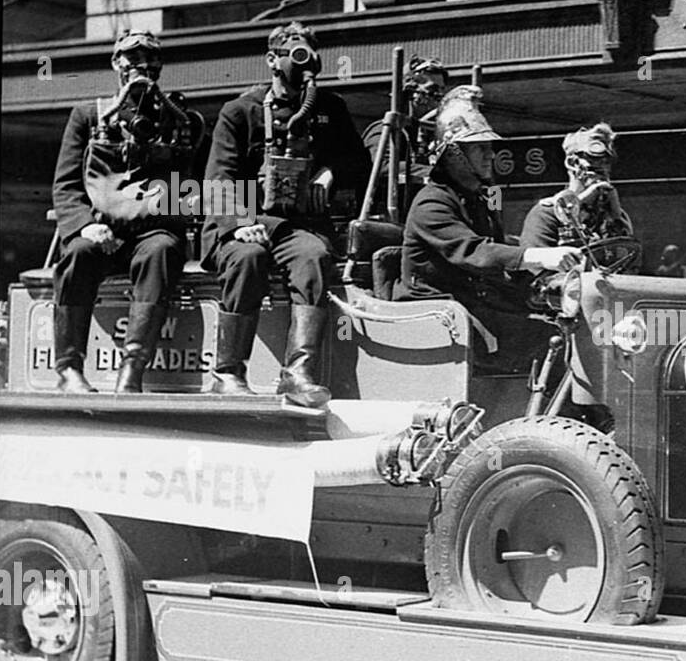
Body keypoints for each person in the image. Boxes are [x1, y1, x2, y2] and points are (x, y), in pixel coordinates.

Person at [203, 21, 370, 405]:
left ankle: (298, 373)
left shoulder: (330, 108)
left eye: (309, 51)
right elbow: (219, 177)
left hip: (297, 227)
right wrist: (239, 225)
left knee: (314, 256)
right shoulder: (240, 111)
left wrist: (331, 171)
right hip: (243, 224)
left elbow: (358, 161)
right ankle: (227, 372)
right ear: (271, 60)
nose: (303, 61)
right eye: (294, 51)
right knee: (248, 258)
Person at [51, 29, 203, 394]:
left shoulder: (182, 120)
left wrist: (195, 202)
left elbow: (200, 185)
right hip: (102, 234)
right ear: (116, 63)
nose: (142, 68)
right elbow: (66, 185)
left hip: (152, 233)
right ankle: (68, 369)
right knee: (77, 253)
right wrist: (84, 226)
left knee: (163, 250)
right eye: (132, 60)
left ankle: (132, 369)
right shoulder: (89, 116)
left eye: (151, 61)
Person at [394, 85, 581, 376]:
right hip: (436, 312)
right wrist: (541, 256)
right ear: (454, 154)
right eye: (479, 148)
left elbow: (497, 248)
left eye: (489, 147)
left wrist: (548, 282)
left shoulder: (480, 197)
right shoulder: (431, 202)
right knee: (550, 341)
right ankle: (549, 417)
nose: (489, 155)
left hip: (471, 304)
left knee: (566, 331)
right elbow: (475, 252)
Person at [520, 123, 635, 269]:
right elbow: (537, 269)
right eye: (593, 159)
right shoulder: (547, 213)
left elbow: (630, 260)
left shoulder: (615, 215)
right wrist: (577, 203)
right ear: (572, 163)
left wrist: (616, 216)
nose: (603, 166)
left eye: (607, 161)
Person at [361, 54, 448, 206]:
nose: (439, 97)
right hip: (389, 219)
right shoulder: (385, 130)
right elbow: (382, 167)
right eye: (432, 90)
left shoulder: (428, 132)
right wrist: (437, 173)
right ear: (409, 92)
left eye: (441, 90)